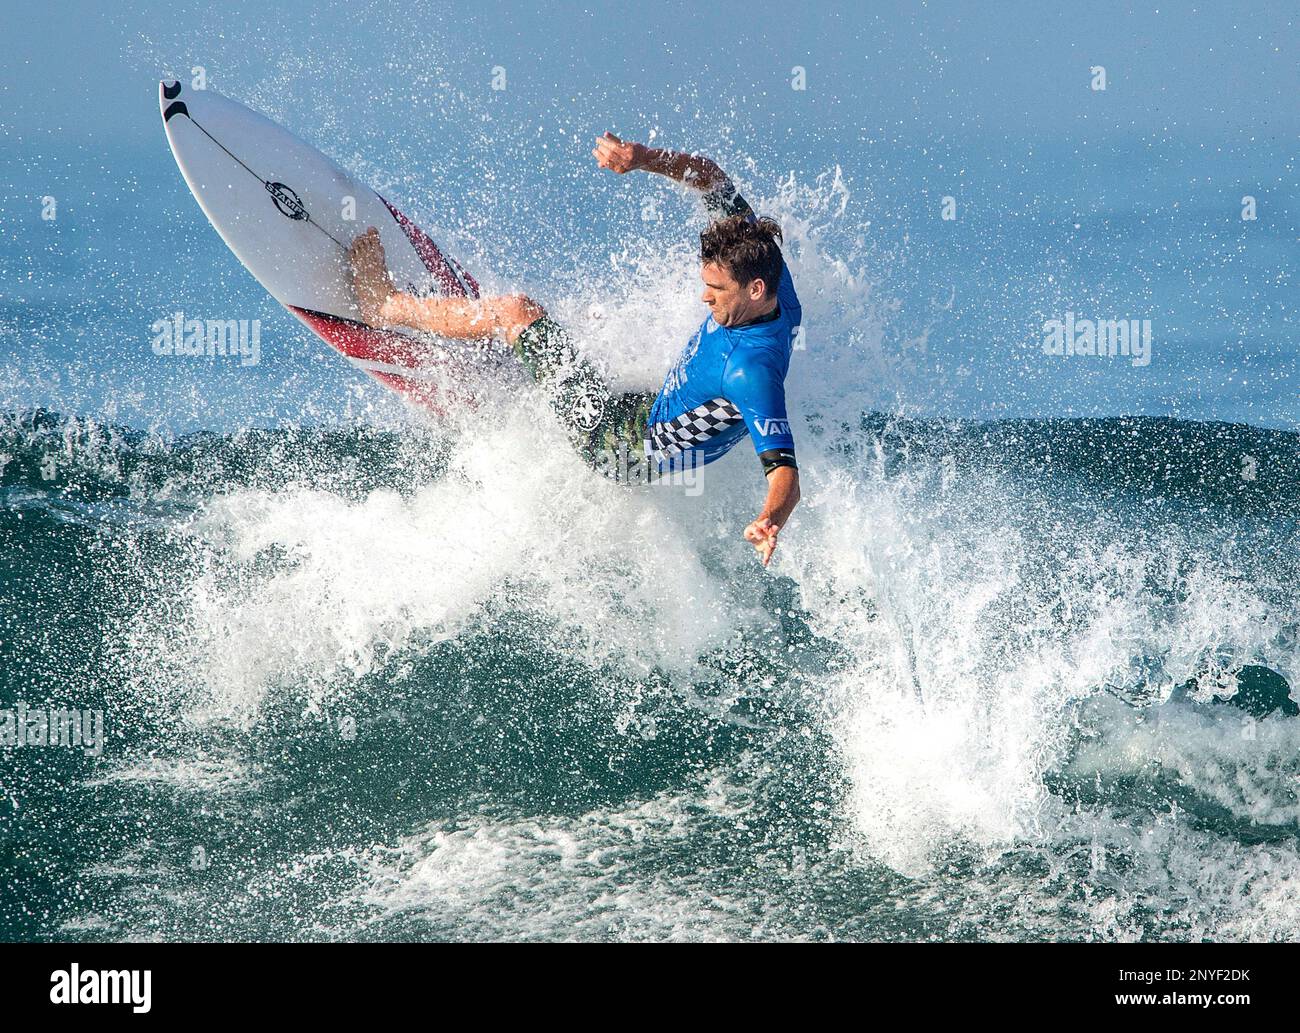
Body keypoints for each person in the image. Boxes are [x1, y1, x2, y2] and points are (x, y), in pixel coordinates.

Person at [348, 132, 801, 566]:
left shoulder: (750, 372)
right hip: (648, 409)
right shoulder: (768, 269)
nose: (705, 298)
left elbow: (785, 475)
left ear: (756, 289)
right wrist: (642, 158)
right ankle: (528, 356)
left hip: (615, 444)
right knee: (592, 321)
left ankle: (385, 305)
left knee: (516, 311)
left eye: (716, 290)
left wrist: (768, 520)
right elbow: (712, 178)